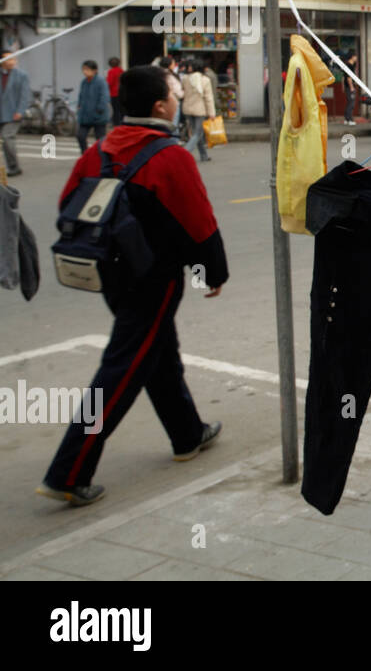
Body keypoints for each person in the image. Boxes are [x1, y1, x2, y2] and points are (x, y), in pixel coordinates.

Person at [36, 66, 228, 507]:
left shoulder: (101, 150)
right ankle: (68, 470)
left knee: (156, 351)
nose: (178, 97)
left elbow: (70, 205)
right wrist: (211, 273)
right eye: (175, 91)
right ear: (160, 106)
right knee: (121, 369)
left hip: (110, 274)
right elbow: (199, 224)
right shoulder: (170, 155)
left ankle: (187, 434)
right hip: (153, 278)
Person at [0, 51, 32, 177]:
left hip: (13, 114)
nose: (12, 61)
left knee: (7, 138)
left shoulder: (21, 75)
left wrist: (20, 110)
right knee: (5, 141)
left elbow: (25, 95)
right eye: (8, 59)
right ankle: (11, 166)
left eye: (13, 58)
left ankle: (14, 167)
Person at [181, 59, 216, 162]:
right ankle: (185, 152)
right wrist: (212, 113)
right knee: (198, 133)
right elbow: (208, 98)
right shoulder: (205, 80)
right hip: (200, 109)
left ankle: (204, 155)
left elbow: (183, 92)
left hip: (187, 108)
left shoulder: (185, 78)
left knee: (196, 132)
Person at [75, 60, 112, 154]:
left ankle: (102, 157)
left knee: (100, 140)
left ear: (94, 70)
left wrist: (99, 110)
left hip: (98, 116)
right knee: (80, 136)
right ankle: (85, 154)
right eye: (83, 69)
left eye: (87, 69)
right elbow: (81, 96)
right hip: (85, 116)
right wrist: (79, 106)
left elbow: (104, 97)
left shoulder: (100, 81)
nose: (85, 72)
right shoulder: (84, 82)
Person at [158, 56, 184, 127]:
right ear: (168, 64)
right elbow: (177, 91)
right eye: (173, 63)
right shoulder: (169, 76)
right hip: (172, 101)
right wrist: (183, 94)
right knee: (173, 125)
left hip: (160, 101)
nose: (174, 65)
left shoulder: (158, 73)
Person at [106, 56, 125, 126]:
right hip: (121, 93)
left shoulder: (111, 71)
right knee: (121, 110)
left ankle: (116, 124)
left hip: (114, 94)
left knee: (115, 110)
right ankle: (122, 123)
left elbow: (109, 83)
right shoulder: (121, 70)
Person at [341, 51, 358, 125]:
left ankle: (346, 119)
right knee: (351, 103)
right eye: (356, 56)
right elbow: (348, 78)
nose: (356, 58)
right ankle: (349, 119)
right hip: (350, 87)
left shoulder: (349, 65)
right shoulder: (349, 65)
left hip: (347, 86)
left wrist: (343, 87)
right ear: (352, 56)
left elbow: (343, 77)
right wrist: (351, 87)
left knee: (349, 102)